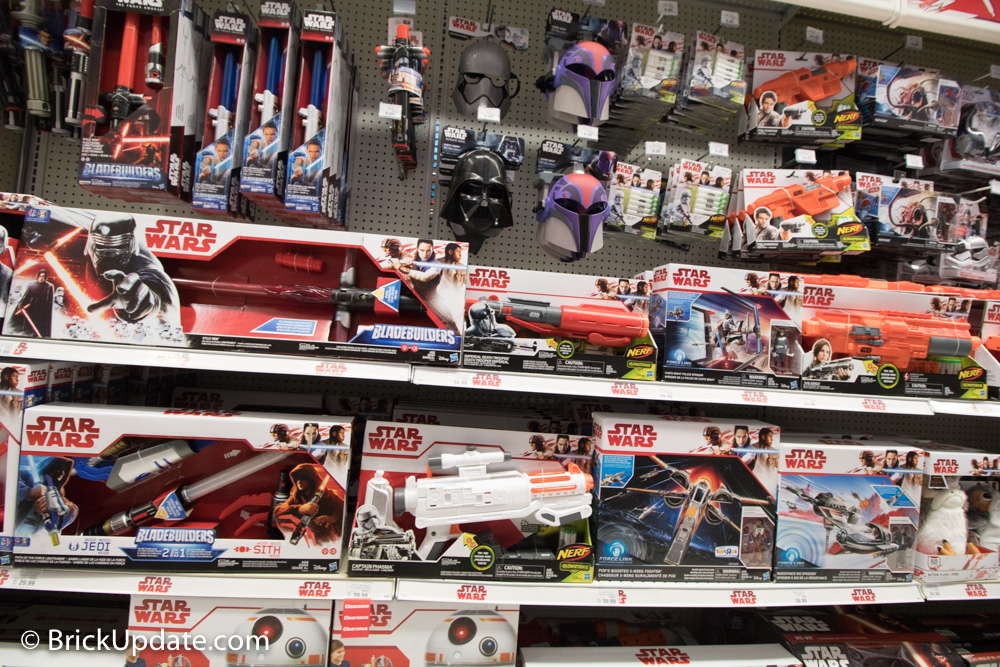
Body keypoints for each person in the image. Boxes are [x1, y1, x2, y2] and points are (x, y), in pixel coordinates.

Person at [273, 463, 344, 545]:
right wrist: (299, 509)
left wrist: (333, 517)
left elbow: (343, 506)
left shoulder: (326, 495)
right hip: (305, 541)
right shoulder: (296, 497)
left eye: (303, 478)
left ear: (311, 479)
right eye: (297, 479)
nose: (299, 482)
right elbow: (278, 510)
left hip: (326, 541)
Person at [10, 268, 54, 337]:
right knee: (25, 325)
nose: (41, 278)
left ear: (45, 277)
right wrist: (21, 304)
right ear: (37, 276)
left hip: (41, 309)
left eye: (43, 276)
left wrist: (44, 310)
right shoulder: (31, 284)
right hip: (30, 307)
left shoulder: (49, 286)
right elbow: (26, 295)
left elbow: (49, 302)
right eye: (40, 276)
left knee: (37, 326)